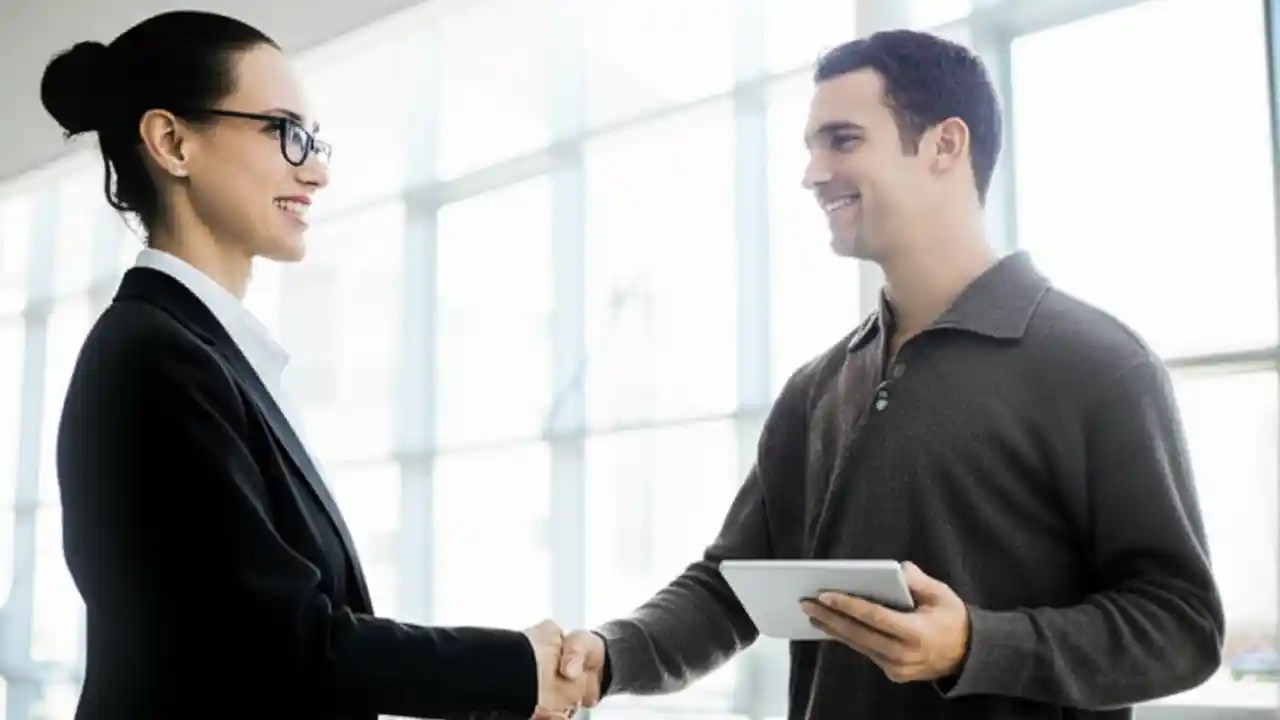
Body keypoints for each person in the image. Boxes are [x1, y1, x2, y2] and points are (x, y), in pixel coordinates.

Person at [552, 29, 1225, 720]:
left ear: (944, 145)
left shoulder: (1100, 365)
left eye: (842, 141)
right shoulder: (815, 388)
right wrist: (608, 656)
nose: (812, 174)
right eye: (810, 147)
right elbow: (729, 590)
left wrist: (976, 644)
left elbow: (1183, 626)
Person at [45, 11, 585, 720]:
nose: (318, 171)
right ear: (173, 143)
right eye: (283, 131)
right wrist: (515, 669)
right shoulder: (156, 358)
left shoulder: (199, 352)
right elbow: (278, 645)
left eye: (314, 139)